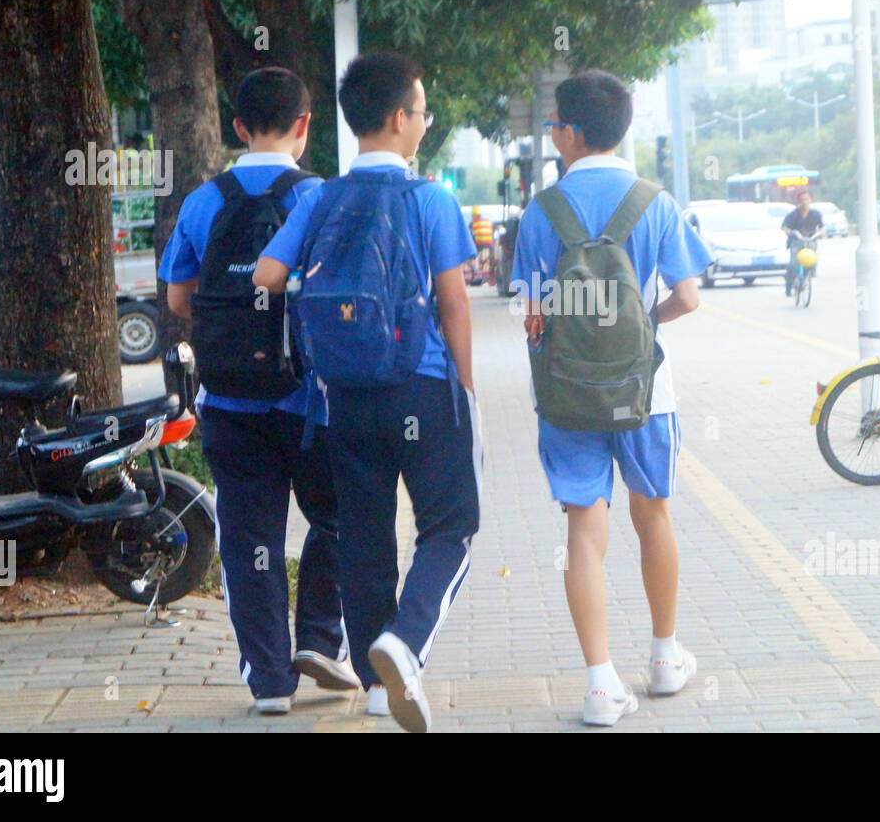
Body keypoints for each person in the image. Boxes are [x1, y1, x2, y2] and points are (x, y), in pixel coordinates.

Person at [254, 52, 480, 734]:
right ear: (398, 118)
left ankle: (379, 687)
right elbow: (454, 304)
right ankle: (404, 643)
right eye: (421, 110)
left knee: (364, 534)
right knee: (452, 525)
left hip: (344, 393)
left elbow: (267, 273)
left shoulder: (321, 196)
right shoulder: (430, 198)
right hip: (422, 382)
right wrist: (466, 390)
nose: (424, 121)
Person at [511, 70, 711, 727]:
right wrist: (639, 324)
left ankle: (600, 684)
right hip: (645, 389)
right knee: (652, 514)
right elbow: (686, 296)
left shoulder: (542, 211)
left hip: (568, 394)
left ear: (569, 133)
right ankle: (662, 657)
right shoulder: (655, 200)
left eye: (553, 125)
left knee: (582, 531)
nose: (551, 135)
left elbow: (531, 313)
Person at [158, 67, 356, 716]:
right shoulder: (319, 197)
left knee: (250, 536)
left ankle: (270, 680)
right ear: (304, 126)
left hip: (230, 401)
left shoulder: (201, 201)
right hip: (311, 402)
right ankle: (323, 637)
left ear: (238, 126)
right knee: (338, 515)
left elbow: (179, 297)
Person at [782, 190, 825, 296]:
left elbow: (822, 227)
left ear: (810, 200)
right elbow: (784, 227)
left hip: (810, 240)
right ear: (798, 201)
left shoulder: (816, 214)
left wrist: (820, 233)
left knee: (811, 261)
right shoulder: (793, 214)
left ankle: (808, 275)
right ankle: (789, 284)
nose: (804, 202)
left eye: (806, 199)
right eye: (802, 200)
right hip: (796, 241)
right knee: (793, 264)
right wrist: (790, 232)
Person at [469, 204, 494, 274]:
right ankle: (491, 266)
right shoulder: (487, 221)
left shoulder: (472, 223)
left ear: (473, 215)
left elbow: (469, 235)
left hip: (479, 243)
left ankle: (474, 266)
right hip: (489, 244)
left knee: (473, 250)